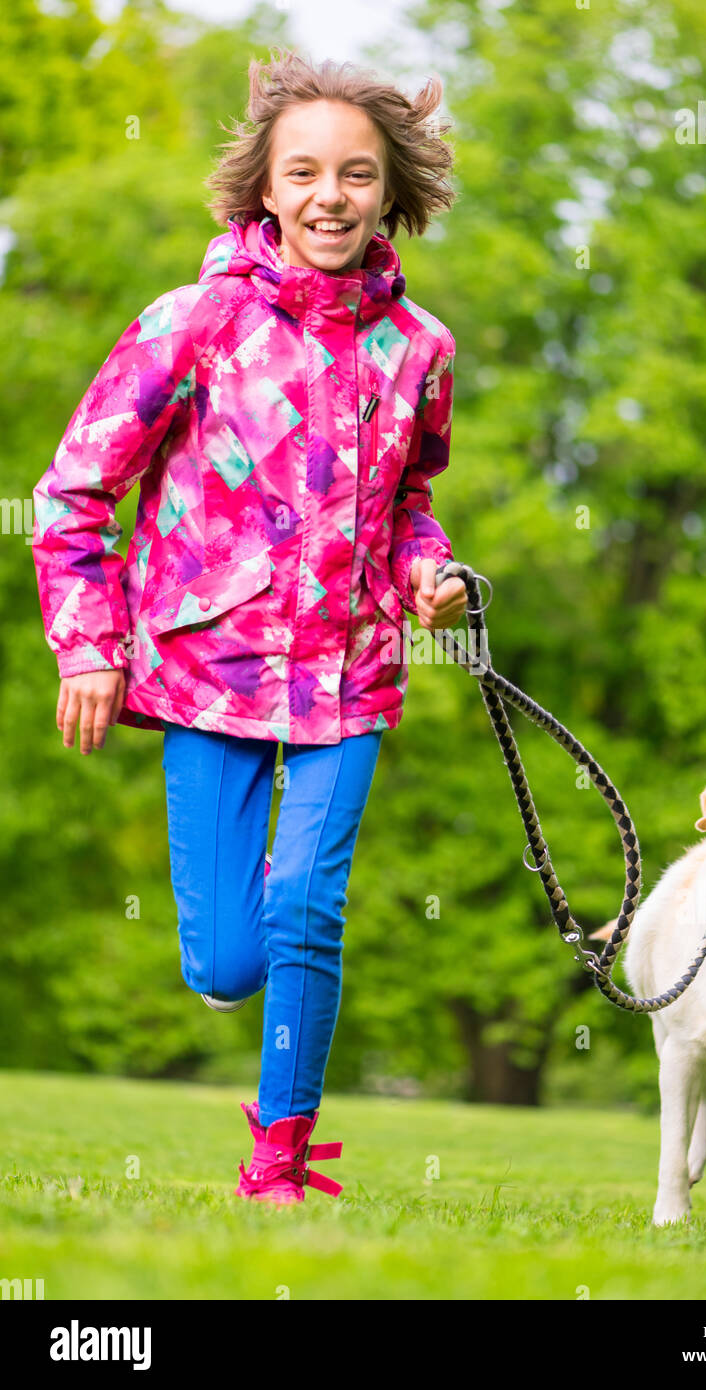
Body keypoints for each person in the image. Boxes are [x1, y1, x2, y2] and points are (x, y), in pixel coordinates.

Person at [30, 48, 467, 1206]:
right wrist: (87, 641)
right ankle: (256, 923)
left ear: (390, 192)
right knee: (227, 955)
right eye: (307, 172)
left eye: (358, 174)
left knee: (309, 909)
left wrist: (434, 576)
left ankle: (279, 1161)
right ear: (266, 189)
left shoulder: (420, 353)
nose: (332, 194)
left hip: (349, 677)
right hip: (207, 672)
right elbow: (72, 493)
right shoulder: (195, 322)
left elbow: (410, 506)